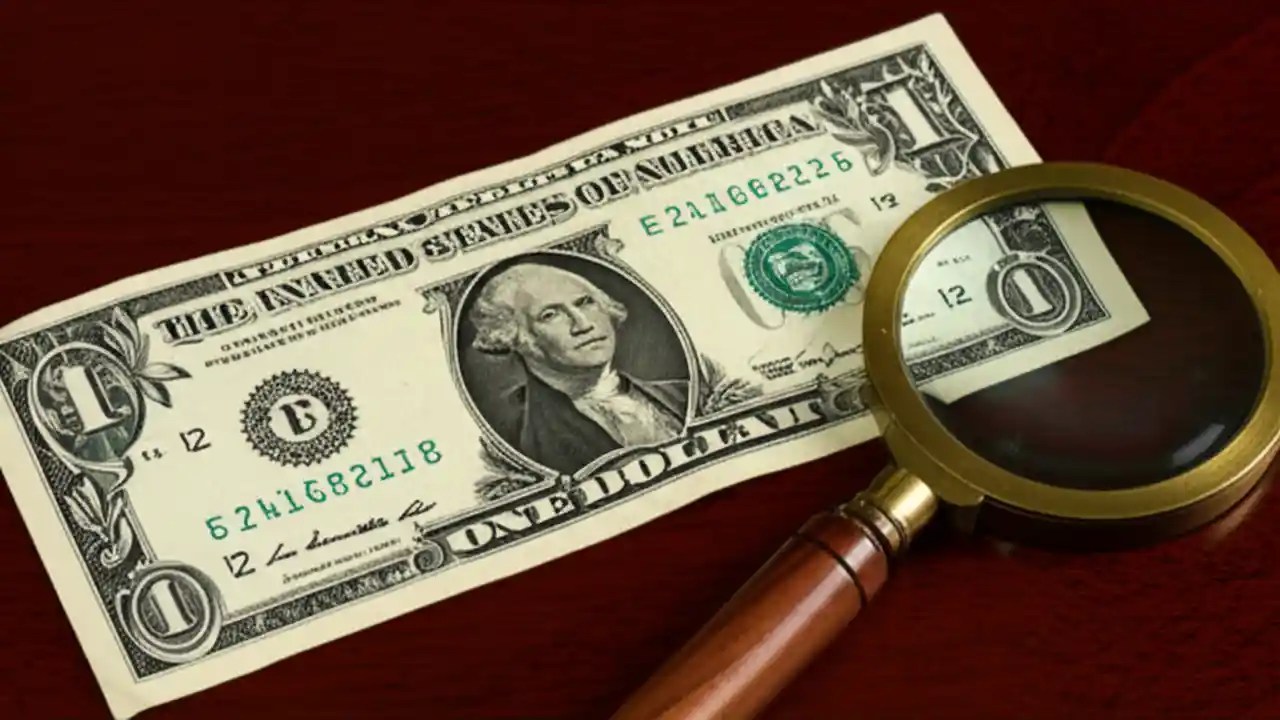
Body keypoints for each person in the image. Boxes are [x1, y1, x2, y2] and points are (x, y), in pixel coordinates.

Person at [467, 262, 688, 474]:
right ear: (514, 337)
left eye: (585, 302)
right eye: (551, 315)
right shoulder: (515, 439)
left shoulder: (684, 393)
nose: (583, 324)